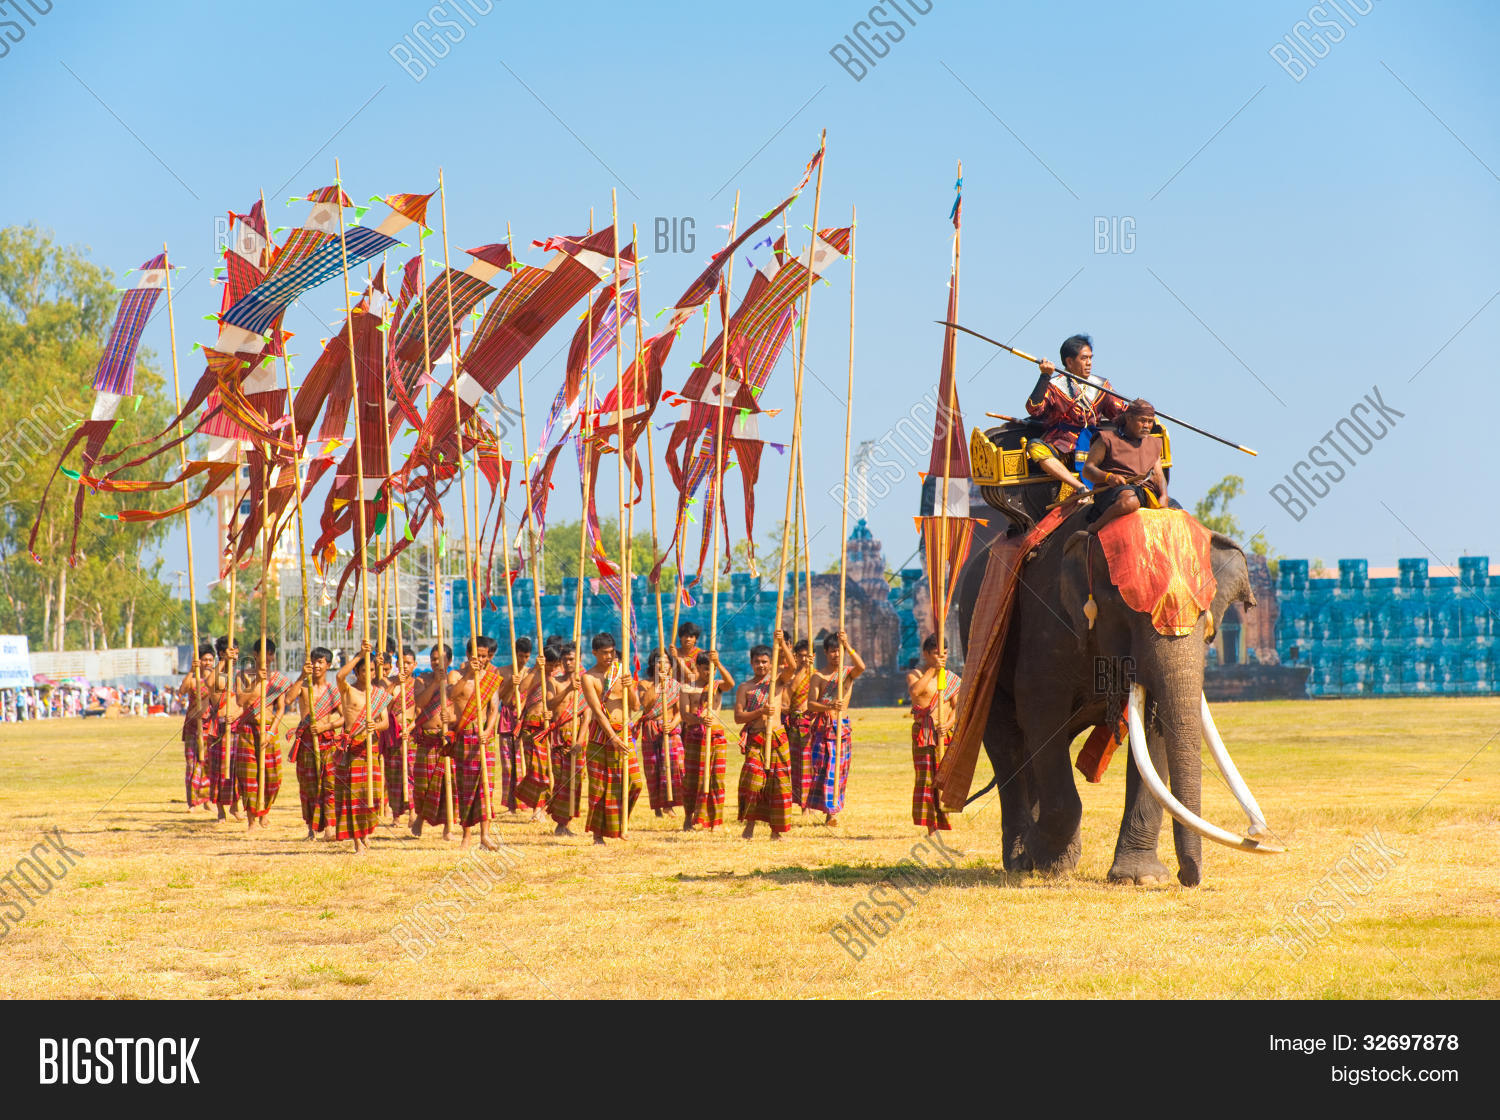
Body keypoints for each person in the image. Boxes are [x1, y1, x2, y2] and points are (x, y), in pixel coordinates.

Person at [1025, 334, 1127, 492]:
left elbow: (1120, 414)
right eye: (1084, 358)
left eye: (1090, 358)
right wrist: (1045, 376)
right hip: (1063, 445)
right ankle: (1079, 487)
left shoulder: (1101, 385)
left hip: (1093, 444)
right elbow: (1034, 408)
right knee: (1035, 447)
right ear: (1069, 362)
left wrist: (1139, 411)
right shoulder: (1054, 385)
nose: (1089, 363)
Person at [580, 632, 643, 844]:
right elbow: (597, 712)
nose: (609, 656)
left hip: (624, 732)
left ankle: (620, 824)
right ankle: (598, 835)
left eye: (611, 652)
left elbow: (635, 706)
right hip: (601, 735)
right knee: (599, 786)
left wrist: (630, 687)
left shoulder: (622, 671)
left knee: (634, 782)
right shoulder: (588, 678)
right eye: (604, 653)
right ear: (594, 653)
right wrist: (612, 737)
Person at [734, 641, 795, 840]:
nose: (761, 665)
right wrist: (760, 711)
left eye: (764, 662)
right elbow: (738, 717)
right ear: (751, 663)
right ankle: (749, 827)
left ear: (770, 664)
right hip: (756, 739)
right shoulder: (745, 687)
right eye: (757, 662)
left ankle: (776, 831)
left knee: (779, 785)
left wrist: (782, 644)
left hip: (777, 737)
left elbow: (792, 667)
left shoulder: (777, 683)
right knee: (753, 783)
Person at [233, 637, 296, 830]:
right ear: (255, 654)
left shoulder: (278, 680)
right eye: (264, 653)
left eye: (270, 654)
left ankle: (265, 811)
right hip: (248, 730)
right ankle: (252, 819)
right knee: (249, 776)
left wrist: (270, 732)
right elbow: (240, 701)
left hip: (269, 730)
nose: (267, 658)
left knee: (273, 776)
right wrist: (257, 681)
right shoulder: (243, 676)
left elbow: (281, 709)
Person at [334, 640, 390, 854]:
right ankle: (357, 840)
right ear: (357, 672)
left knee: (372, 794)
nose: (369, 674)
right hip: (353, 749)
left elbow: (385, 722)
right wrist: (359, 655)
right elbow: (339, 676)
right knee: (354, 796)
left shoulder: (378, 694)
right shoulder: (348, 690)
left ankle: (365, 832)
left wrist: (375, 725)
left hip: (371, 749)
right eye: (365, 670)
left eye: (372, 670)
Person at [806, 630, 866, 826]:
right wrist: (829, 706)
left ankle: (832, 812)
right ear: (825, 652)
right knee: (823, 769)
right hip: (823, 728)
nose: (836, 655)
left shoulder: (847, 673)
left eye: (839, 651)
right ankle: (825, 808)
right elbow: (811, 704)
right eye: (832, 651)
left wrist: (847, 644)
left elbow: (861, 666)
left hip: (841, 727)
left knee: (839, 769)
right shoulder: (818, 677)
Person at [1081, 398, 1166, 532]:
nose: (1146, 425)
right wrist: (1109, 477)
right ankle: (1094, 527)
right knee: (1130, 502)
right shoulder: (1106, 439)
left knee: (1178, 511)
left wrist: (1164, 496)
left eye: (1150, 422)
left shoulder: (1154, 443)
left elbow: (1159, 475)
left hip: (1147, 494)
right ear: (1129, 418)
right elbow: (1087, 470)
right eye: (1142, 420)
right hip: (1114, 492)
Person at [448, 636, 501, 850]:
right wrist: (470, 674)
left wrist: (488, 730)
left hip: (483, 738)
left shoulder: (491, 680)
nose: (480, 659)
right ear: (468, 655)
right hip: (464, 736)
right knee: (466, 787)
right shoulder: (457, 676)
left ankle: (485, 835)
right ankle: (466, 835)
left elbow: (494, 709)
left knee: (485, 787)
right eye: (476, 655)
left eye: (484, 656)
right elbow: (452, 695)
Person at [907, 635, 961, 835]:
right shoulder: (915, 674)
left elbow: (957, 707)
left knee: (943, 778)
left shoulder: (951, 678)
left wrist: (948, 724)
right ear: (926, 654)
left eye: (945, 654)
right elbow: (915, 692)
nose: (942, 657)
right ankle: (930, 824)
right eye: (937, 654)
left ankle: (943, 820)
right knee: (926, 779)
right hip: (924, 733)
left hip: (943, 735)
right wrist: (933, 670)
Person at [410, 643, 460, 841]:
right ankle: (420, 818)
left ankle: (448, 829)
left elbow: (462, 707)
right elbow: (420, 703)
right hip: (428, 740)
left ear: (449, 660)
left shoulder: (456, 680)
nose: (436, 662)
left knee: (449, 785)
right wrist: (435, 683)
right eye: (433, 659)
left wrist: (453, 718)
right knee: (423, 785)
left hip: (447, 740)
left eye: (441, 659)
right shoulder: (422, 679)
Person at [680, 649, 734, 831]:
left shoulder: (718, 686)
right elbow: (684, 715)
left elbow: (731, 683)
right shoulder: (687, 688)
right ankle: (689, 817)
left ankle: (715, 821)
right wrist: (700, 720)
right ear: (697, 668)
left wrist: (718, 663)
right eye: (705, 669)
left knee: (716, 779)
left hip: (716, 736)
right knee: (692, 778)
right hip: (695, 736)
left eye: (712, 669)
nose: (708, 672)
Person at [547, 641, 589, 836]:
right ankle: (560, 824)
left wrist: (580, 741)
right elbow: (550, 704)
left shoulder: (585, 683)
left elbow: (587, 715)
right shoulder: (554, 682)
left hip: (577, 737)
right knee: (560, 781)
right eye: (565, 659)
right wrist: (568, 689)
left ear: (578, 659)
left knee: (575, 781)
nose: (568, 663)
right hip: (558, 737)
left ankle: (566, 823)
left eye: (572, 659)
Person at [514, 644, 559, 822]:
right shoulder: (535, 674)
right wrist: (535, 669)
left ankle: (541, 807)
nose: (552, 668)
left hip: (547, 728)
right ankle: (536, 808)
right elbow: (521, 689)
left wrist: (551, 715)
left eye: (555, 664)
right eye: (550, 664)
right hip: (531, 727)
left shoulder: (555, 679)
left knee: (546, 769)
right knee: (535, 769)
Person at [638, 648, 684, 818]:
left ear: (671, 666)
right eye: (659, 662)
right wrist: (658, 684)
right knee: (653, 768)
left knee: (673, 765)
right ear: (653, 664)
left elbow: (680, 711)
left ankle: (669, 805)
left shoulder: (676, 686)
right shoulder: (644, 684)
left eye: (666, 662)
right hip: (650, 729)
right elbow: (646, 704)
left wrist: (673, 724)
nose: (662, 665)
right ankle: (657, 806)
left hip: (669, 730)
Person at [494, 637, 533, 816]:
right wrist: (510, 683)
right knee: (508, 765)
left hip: (523, 720)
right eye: (521, 656)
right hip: (506, 719)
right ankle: (510, 805)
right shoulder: (502, 671)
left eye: (527, 656)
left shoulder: (531, 673)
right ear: (515, 653)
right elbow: (498, 697)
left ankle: (524, 801)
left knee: (523, 762)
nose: (523, 660)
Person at [176, 643, 217, 812]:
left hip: (210, 726)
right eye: (204, 660)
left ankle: (207, 800)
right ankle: (192, 802)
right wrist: (192, 670)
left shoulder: (216, 679)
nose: (207, 663)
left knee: (208, 764)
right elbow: (182, 690)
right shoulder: (193, 680)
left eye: (210, 660)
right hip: (193, 727)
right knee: (192, 764)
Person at [383, 645, 418, 827]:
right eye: (401, 663)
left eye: (408, 663)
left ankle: (413, 812)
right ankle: (396, 815)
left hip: (411, 733)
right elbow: (381, 704)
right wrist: (395, 683)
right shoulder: (390, 683)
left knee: (411, 773)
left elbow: (420, 711)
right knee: (394, 775)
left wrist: (410, 728)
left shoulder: (419, 684)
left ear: (414, 664)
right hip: (393, 734)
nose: (405, 666)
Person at [785, 638, 815, 809]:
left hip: (813, 725)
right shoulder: (791, 675)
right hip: (794, 725)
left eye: (807, 656)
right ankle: (797, 802)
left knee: (811, 765)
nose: (804, 659)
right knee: (796, 766)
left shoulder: (817, 675)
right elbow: (789, 692)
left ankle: (809, 804)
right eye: (801, 656)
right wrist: (803, 669)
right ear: (795, 656)